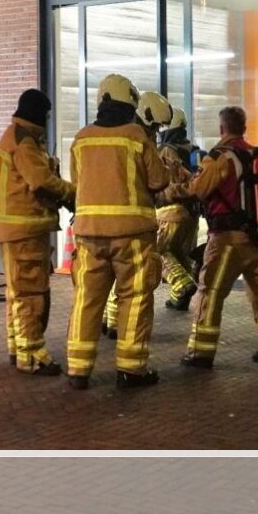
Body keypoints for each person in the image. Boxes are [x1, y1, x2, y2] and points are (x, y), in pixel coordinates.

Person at [162, 106, 258, 367]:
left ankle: (200, 352)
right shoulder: (254, 154)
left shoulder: (220, 157)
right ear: (243, 127)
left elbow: (198, 189)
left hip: (226, 241)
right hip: (255, 239)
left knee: (210, 290)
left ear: (222, 128)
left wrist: (169, 192)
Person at [66, 75, 170, 389]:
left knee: (87, 299)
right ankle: (131, 369)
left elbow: (76, 183)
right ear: (130, 104)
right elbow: (158, 181)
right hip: (132, 236)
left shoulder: (81, 138)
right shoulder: (137, 136)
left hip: (88, 236)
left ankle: (78, 370)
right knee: (134, 298)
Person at [0, 89, 76, 376]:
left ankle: (18, 348)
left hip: (14, 229)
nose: (49, 120)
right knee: (32, 293)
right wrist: (73, 194)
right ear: (39, 113)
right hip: (25, 229)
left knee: (17, 293)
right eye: (47, 114)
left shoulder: (16, 135)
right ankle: (33, 356)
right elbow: (41, 181)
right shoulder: (25, 142)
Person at [103, 90, 172, 339]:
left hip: (109, 223)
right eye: (154, 128)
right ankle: (116, 324)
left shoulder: (127, 136)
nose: (155, 134)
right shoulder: (135, 138)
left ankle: (112, 321)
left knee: (117, 279)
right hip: (130, 224)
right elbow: (157, 180)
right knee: (131, 282)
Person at [157, 106, 201, 312]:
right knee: (182, 255)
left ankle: (180, 284)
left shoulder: (167, 150)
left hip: (171, 212)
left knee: (157, 250)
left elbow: (164, 183)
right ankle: (179, 298)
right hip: (191, 214)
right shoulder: (194, 150)